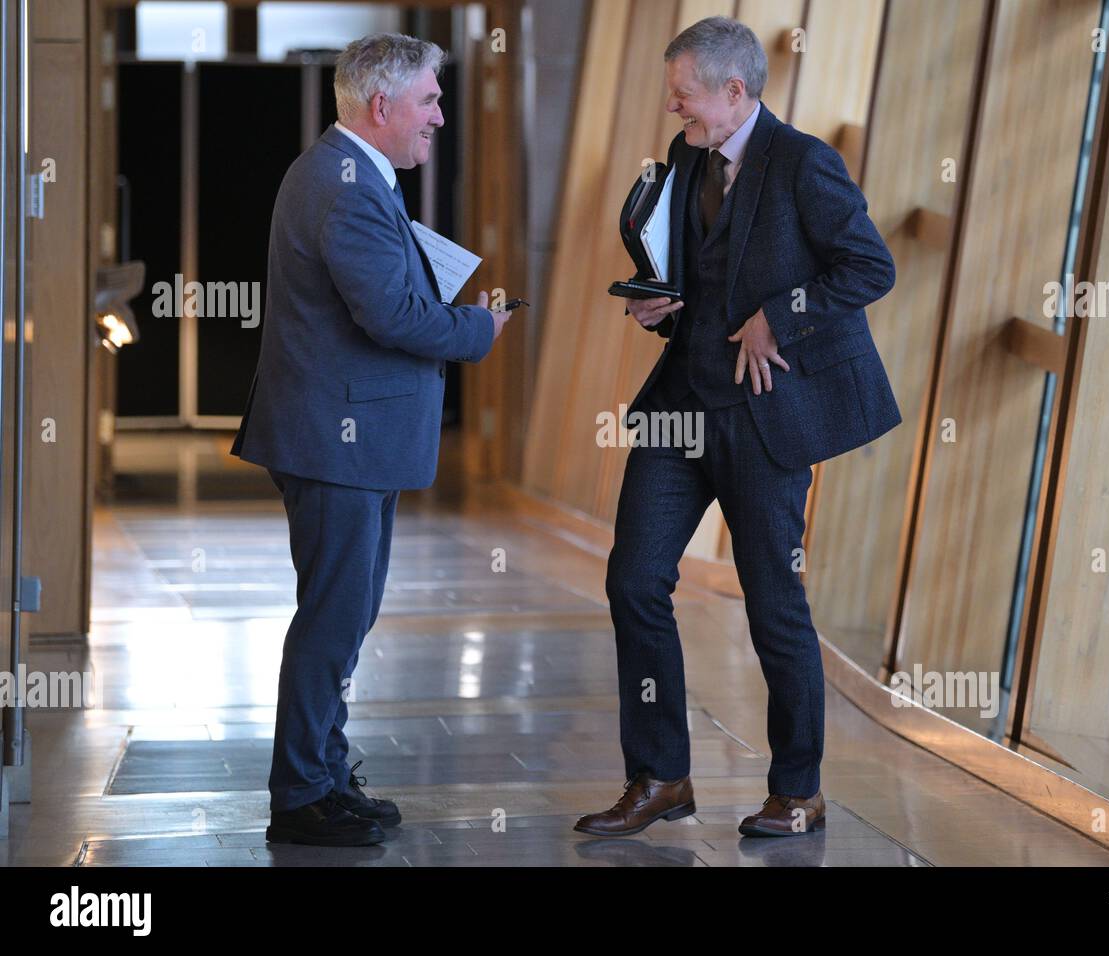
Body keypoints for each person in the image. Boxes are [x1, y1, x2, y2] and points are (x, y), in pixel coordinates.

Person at [575, 16, 897, 839]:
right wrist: (659, 307)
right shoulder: (686, 159)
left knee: (772, 606)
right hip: (682, 408)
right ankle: (660, 777)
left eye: (683, 90)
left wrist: (775, 318)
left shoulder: (805, 162)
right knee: (634, 581)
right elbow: (691, 275)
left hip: (765, 421)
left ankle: (799, 788)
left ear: (734, 91)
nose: (671, 103)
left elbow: (870, 266)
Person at [231, 32, 511, 846]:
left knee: (344, 613)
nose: (440, 116)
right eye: (429, 100)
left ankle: (323, 770)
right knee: (334, 615)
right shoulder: (346, 184)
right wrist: (479, 327)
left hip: (345, 435)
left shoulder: (346, 173)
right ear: (382, 106)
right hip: (335, 438)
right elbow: (390, 315)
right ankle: (301, 795)